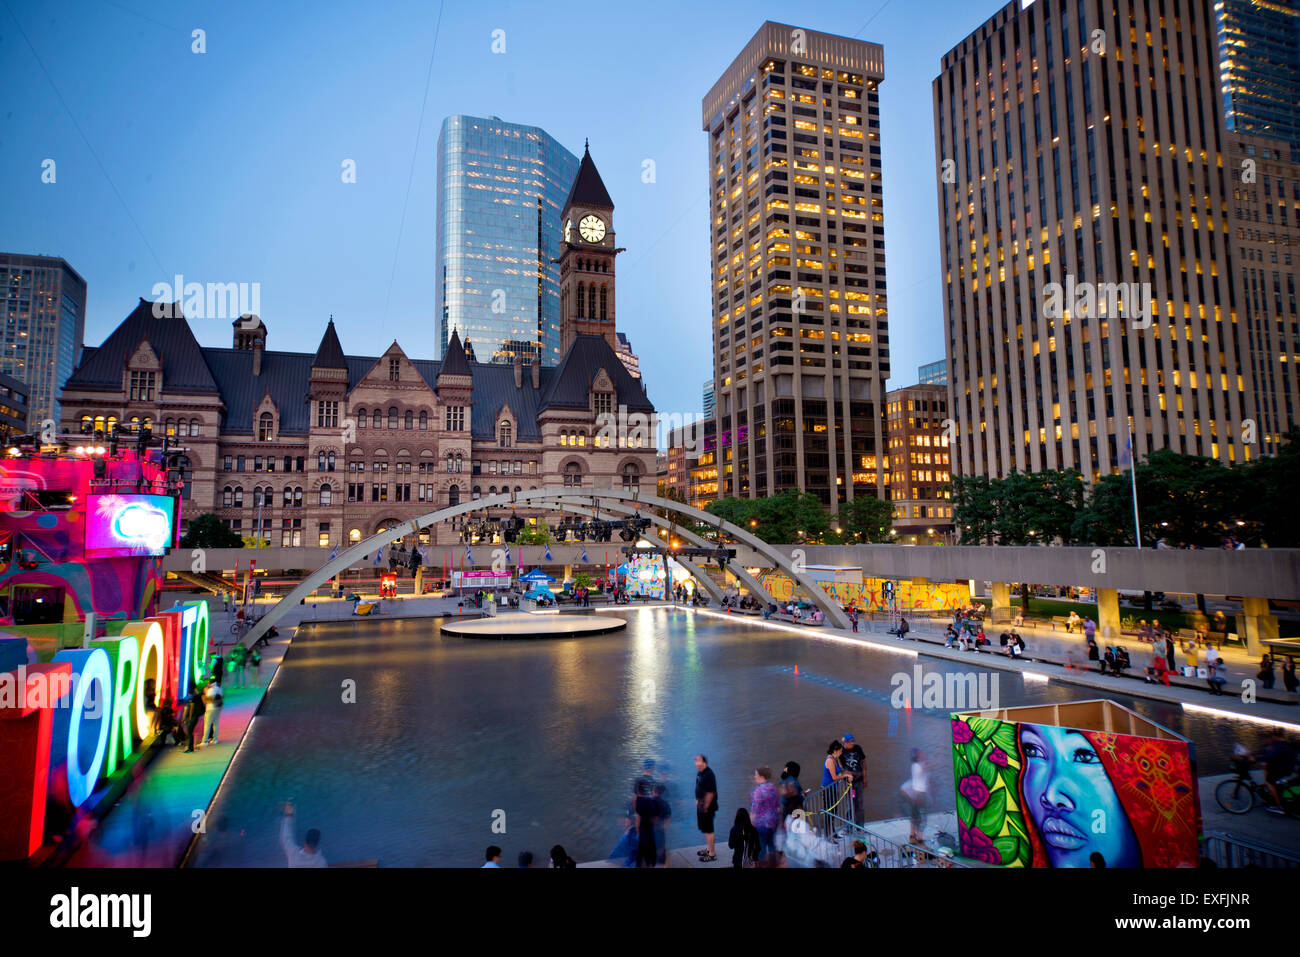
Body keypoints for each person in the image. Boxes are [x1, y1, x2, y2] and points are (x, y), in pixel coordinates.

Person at [1254, 736, 1298, 813]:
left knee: (1270, 782)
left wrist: (1256, 758)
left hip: (1285, 769)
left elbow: (1270, 755)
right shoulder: (1282, 745)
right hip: (1287, 767)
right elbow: (1266, 752)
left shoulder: (1280, 746)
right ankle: (1271, 792)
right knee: (1267, 767)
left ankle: (1278, 806)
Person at [749, 767, 780, 865]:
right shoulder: (773, 787)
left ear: (761, 776)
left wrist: (750, 823)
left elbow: (754, 809)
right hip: (774, 821)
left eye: (756, 775)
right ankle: (774, 864)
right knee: (771, 845)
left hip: (761, 823)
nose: (754, 776)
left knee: (761, 848)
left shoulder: (758, 791)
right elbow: (778, 806)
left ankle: (761, 865)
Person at [280, 802, 327, 867]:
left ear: (305, 842)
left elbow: (286, 837)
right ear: (317, 843)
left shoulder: (293, 854)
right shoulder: (321, 862)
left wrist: (288, 816)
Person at [694, 754, 718, 863]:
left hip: (707, 807)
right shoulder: (700, 773)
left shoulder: (709, 774)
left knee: (709, 829)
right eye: (696, 761)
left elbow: (711, 792)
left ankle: (712, 854)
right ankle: (708, 849)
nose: (697, 763)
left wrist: (706, 806)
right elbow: (699, 787)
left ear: (705, 763)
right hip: (701, 804)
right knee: (705, 828)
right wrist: (698, 800)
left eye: (699, 761)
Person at [901, 750, 928, 844]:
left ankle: (912, 834)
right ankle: (919, 836)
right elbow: (925, 769)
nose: (923, 754)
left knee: (914, 814)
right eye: (921, 754)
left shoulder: (914, 765)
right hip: (920, 794)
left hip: (914, 794)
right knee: (921, 815)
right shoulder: (918, 766)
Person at [841, 733, 867, 826]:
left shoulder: (858, 748)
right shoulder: (841, 751)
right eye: (850, 742)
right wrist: (849, 773)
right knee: (849, 805)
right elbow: (840, 767)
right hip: (849, 784)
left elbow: (863, 762)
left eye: (853, 742)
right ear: (845, 743)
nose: (852, 744)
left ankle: (860, 826)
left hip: (859, 781)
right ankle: (849, 826)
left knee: (859, 805)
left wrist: (865, 777)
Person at [180, 685, 205, 752]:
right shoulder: (199, 696)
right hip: (198, 715)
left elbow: (190, 708)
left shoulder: (193, 698)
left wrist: (187, 718)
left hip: (194, 716)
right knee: (192, 731)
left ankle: (190, 747)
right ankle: (192, 746)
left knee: (190, 731)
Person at [202, 679, 223, 745]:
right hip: (218, 708)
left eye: (208, 683)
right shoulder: (219, 689)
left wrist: (205, 694)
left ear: (210, 683)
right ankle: (215, 739)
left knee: (207, 725)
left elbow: (208, 700)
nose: (207, 685)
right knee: (216, 724)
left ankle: (205, 741)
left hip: (210, 709)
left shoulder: (210, 690)